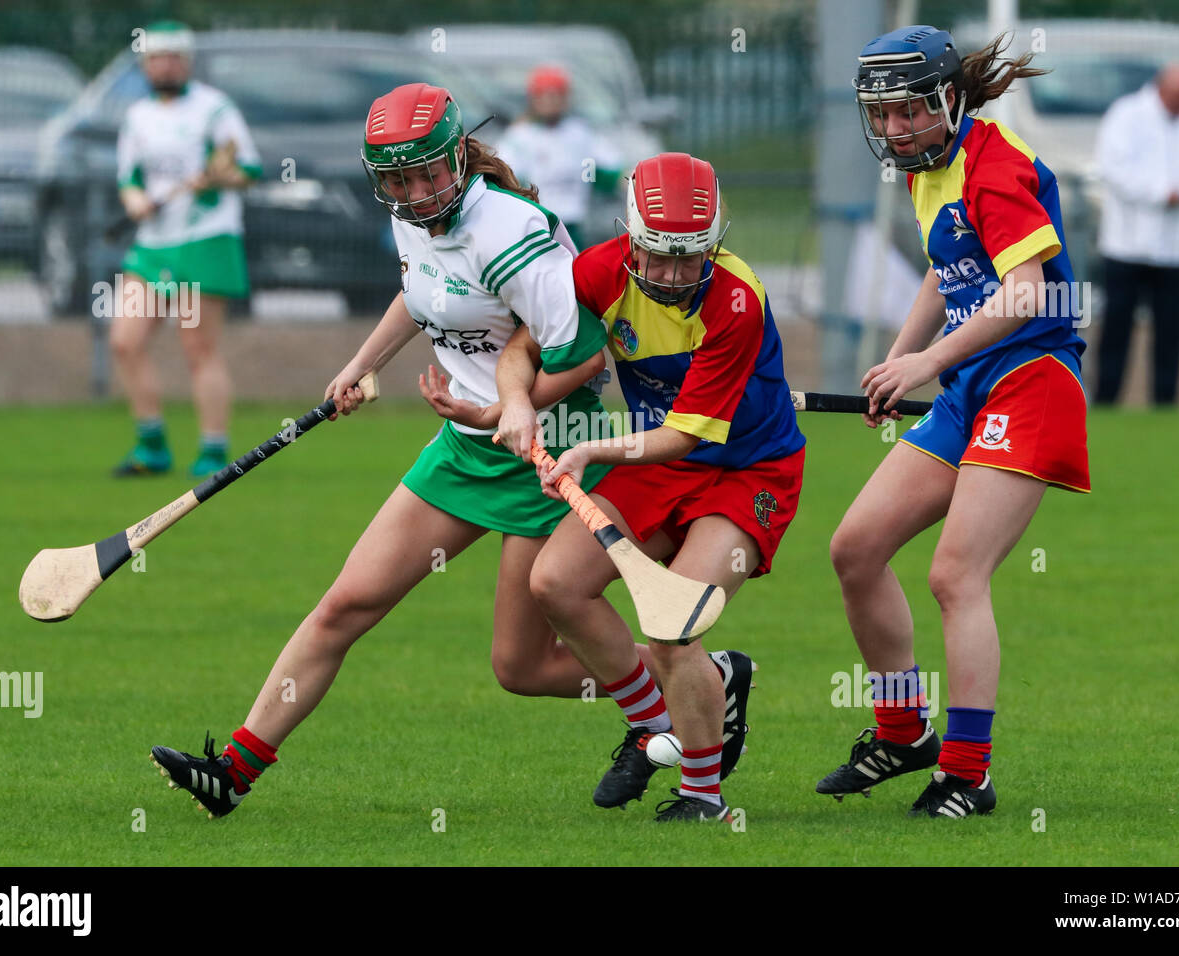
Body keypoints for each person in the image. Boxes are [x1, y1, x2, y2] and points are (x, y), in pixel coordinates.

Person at [148, 85, 749, 818]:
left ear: (458, 156)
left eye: (427, 173)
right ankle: (234, 771)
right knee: (346, 605)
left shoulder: (515, 234)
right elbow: (421, 291)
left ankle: (692, 691)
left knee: (518, 666)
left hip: (543, 453)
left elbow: (585, 360)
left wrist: (516, 408)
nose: (414, 192)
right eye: (396, 180)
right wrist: (362, 362)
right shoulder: (411, 220)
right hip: (462, 450)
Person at [817, 27, 1090, 818]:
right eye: (884, 113)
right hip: (969, 383)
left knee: (954, 575)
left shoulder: (996, 164)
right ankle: (904, 733)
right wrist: (896, 359)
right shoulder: (925, 169)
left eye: (911, 111)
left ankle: (968, 773)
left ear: (949, 101)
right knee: (856, 549)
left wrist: (925, 363)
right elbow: (949, 267)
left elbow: (1023, 293)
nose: (897, 128)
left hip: (1031, 381)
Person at [500, 152, 805, 823]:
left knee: (673, 627)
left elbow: (685, 436)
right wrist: (517, 403)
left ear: (713, 247)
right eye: (656, 256)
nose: (669, 275)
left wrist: (587, 450)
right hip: (654, 466)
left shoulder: (735, 298)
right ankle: (657, 719)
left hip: (747, 471)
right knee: (554, 583)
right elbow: (520, 349)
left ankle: (702, 794)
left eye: (688, 258)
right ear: (630, 235)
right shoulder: (600, 270)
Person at [111, 21, 262, 478]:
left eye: (174, 57)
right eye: (157, 58)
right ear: (145, 64)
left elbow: (248, 168)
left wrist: (219, 176)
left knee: (197, 345)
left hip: (204, 241)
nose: (166, 65)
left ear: (187, 62)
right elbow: (129, 177)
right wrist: (134, 200)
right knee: (124, 340)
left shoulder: (214, 110)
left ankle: (214, 452)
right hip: (153, 246)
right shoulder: (138, 116)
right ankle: (151, 445)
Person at [1093, 63, 1179, 406]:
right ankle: (1107, 399)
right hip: (1126, 244)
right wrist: (1161, 193)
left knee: (1171, 330)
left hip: (1176, 248)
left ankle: (1165, 402)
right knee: (1117, 327)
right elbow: (1114, 169)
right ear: (1161, 88)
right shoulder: (1126, 115)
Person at [494, 65, 622, 250]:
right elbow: (504, 177)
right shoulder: (519, 136)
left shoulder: (580, 132)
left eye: (556, 96)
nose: (550, 102)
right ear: (533, 99)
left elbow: (611, 169)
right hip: (536, 225)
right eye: (544, 96)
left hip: (575, 226)